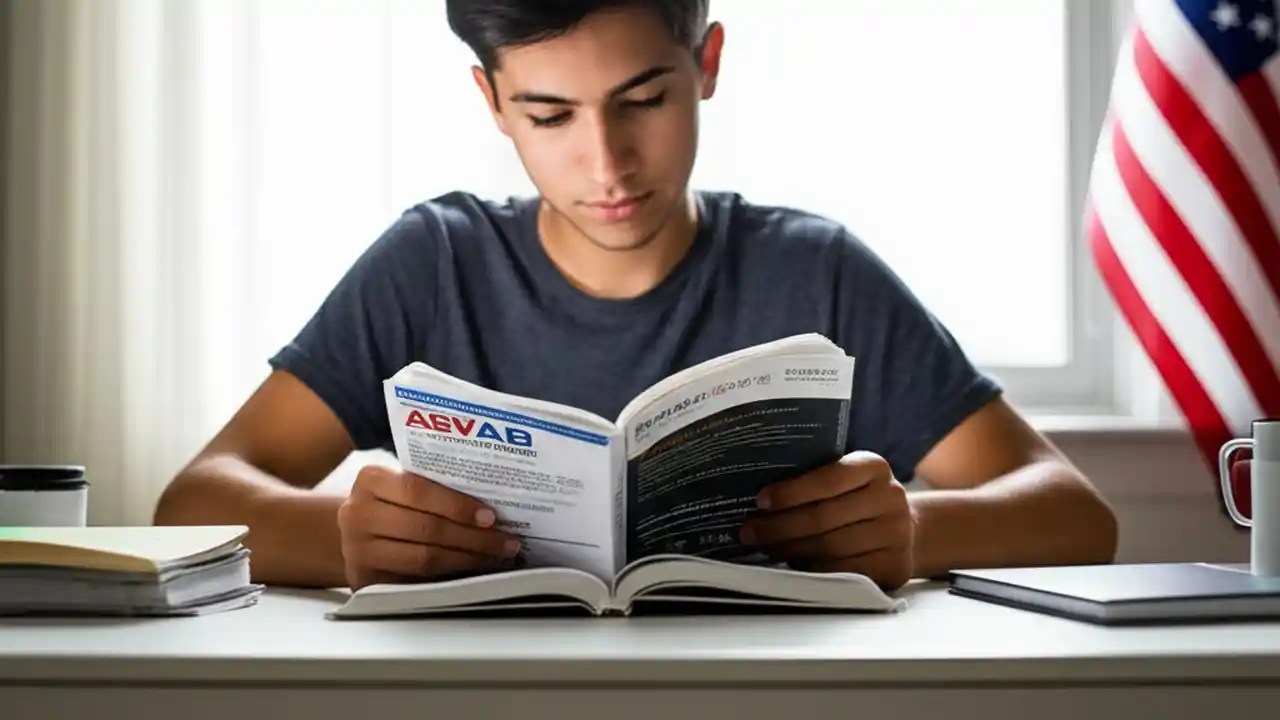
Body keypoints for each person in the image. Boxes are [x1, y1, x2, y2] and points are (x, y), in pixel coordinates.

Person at [154, 0, 1118, 592]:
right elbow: (193, 503)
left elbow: (1076, 516)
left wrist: (914, 529)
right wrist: (345, 538)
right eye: (550, 115)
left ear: (708, 64)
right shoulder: (433, 263)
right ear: (493, 104)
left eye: (644, 100)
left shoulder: (816, 271)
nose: (607, 164)